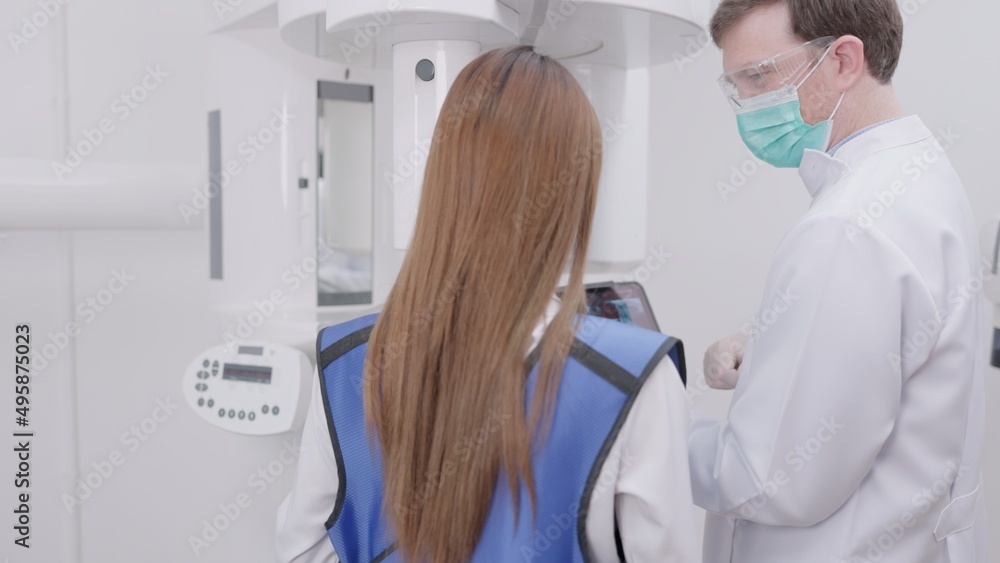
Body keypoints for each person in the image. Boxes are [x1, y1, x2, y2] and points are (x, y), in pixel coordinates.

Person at [276, 46, 699, 562]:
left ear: (442, 176)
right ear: (575, 193)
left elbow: (302, 551)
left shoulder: (347, 361)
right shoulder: (629, 377)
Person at [692, 1, 988, 562]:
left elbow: (768, 479)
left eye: (759, 76)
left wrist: (645, 423)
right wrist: (777, 350)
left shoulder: (847, 227)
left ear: (844, 60)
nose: (747, 105)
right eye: (736, 86)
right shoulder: (919, 173)